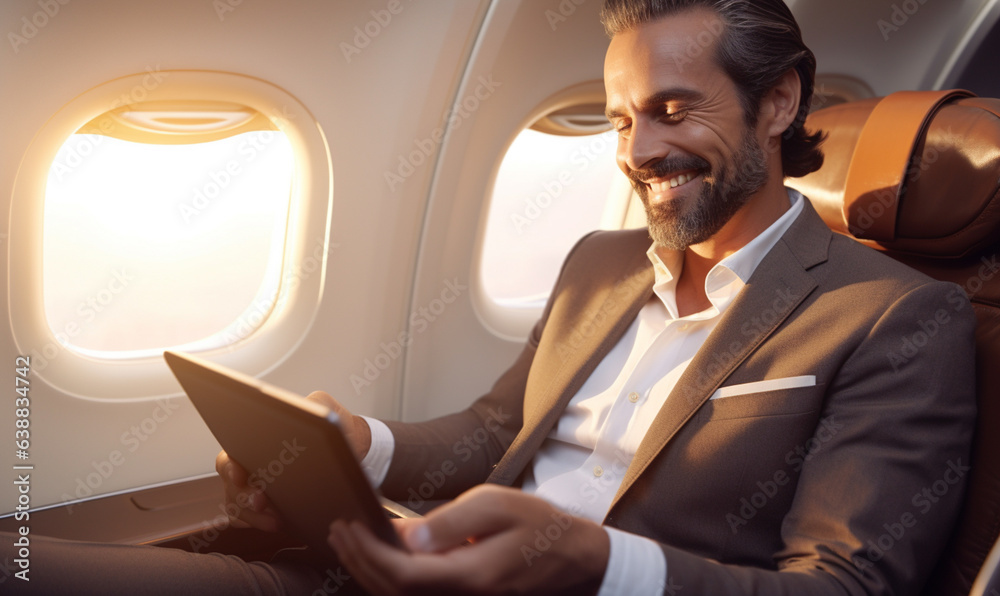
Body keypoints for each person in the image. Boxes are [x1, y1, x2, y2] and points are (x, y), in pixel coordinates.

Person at [1, 0, 976, 594]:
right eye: (621, 118)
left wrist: (594, 562)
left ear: (778, 102)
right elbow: (494, 429)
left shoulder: (892, 316)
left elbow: (842, 585)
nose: (638, 151)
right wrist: (357, 445)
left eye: (674, 110)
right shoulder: (601, 261)